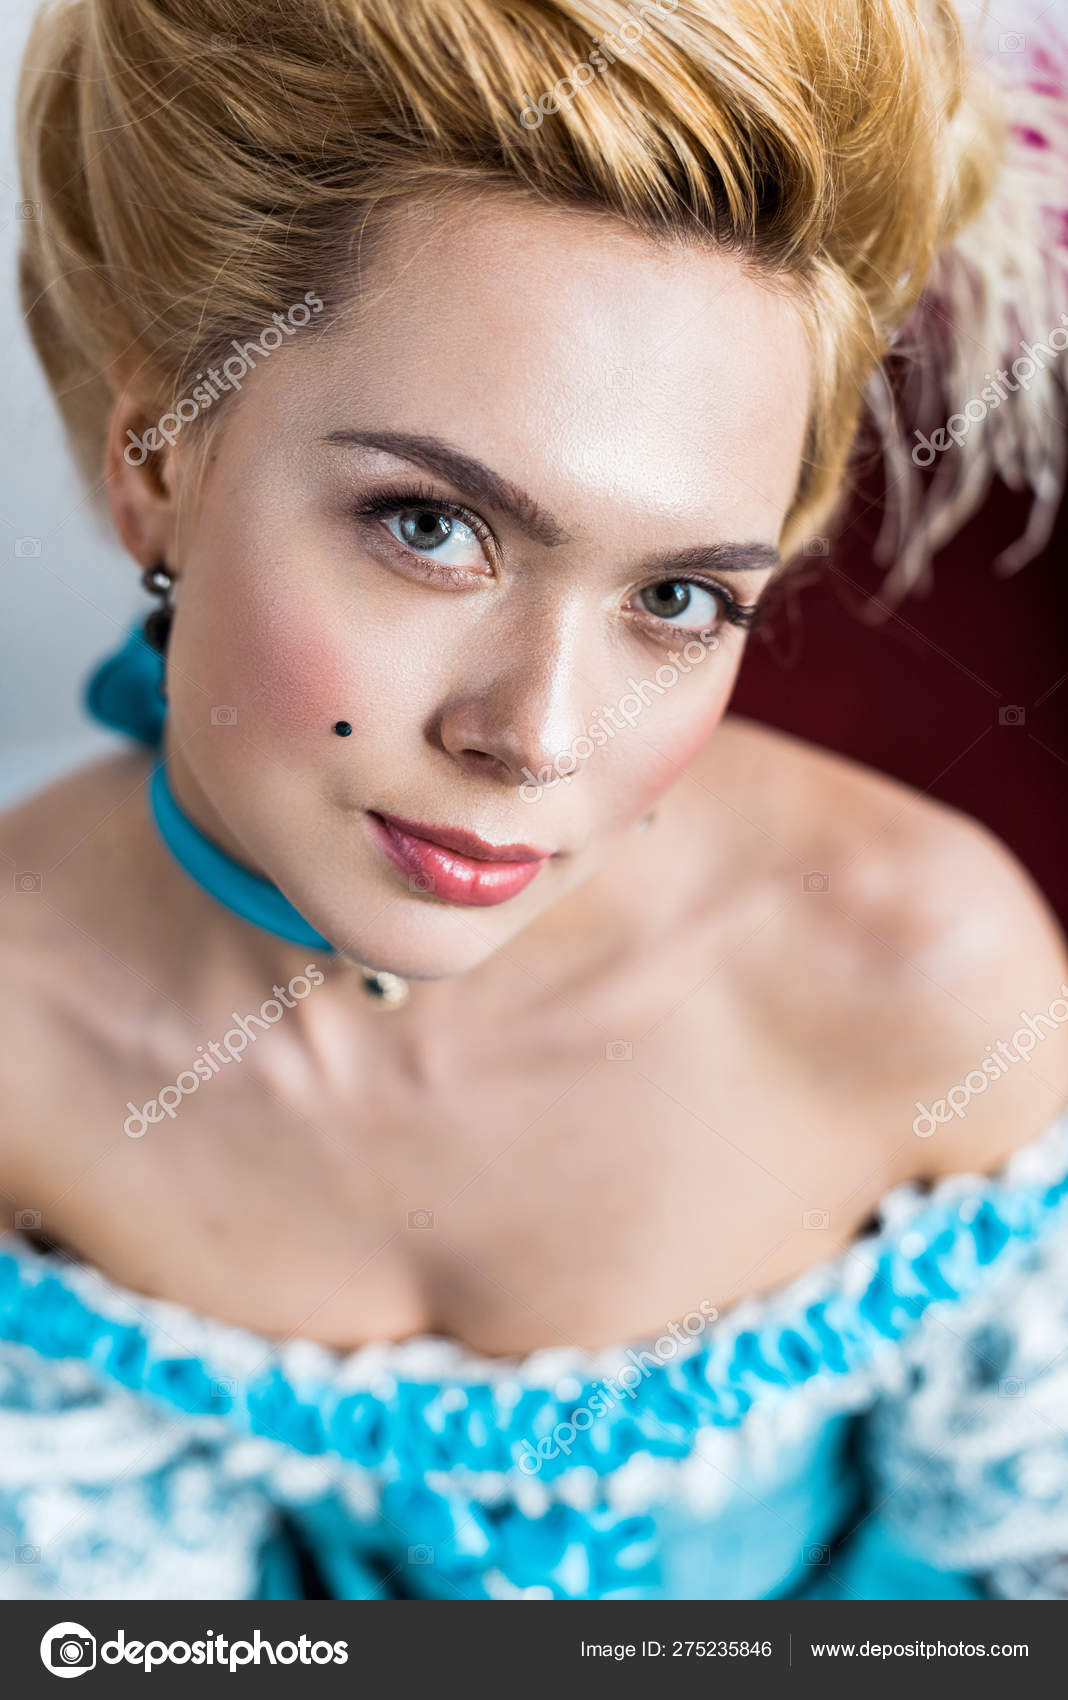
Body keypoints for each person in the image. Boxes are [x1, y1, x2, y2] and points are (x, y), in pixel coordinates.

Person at [1, 0, 1066, 1601]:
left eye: (683, 601)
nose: (539, 737)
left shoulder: (917, 977)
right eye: (431, 525)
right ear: (158, 454)